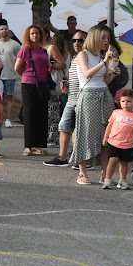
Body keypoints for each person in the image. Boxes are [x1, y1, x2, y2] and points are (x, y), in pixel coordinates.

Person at [70, 25, 120, 186]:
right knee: (87, 133)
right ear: (95, 38)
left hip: (104, 94)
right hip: (88, 95)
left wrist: (113, 74)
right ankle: (82, 172)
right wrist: (104, 62)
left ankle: (105, 174)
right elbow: (87, 74)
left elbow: (104, 80)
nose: (106, 41)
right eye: (103, 37)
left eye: (108, 38)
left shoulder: (101, 56)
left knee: (106, 134)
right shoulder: (83, 54)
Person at [45, 30, 88, 167]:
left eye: (80, 40)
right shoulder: (76, 56)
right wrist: (66, 82)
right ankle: (62, 158)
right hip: (72, 98)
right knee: (64, 126)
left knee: (80, 130)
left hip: (83, 98)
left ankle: (84, 161)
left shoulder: (87, 56)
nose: (76, 43)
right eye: (74, 40)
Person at [15, 24, 52, 156]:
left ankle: (38, 145)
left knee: (41, 114)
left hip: (42, 84)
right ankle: (28, 146)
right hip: (29, 84)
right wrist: (27, 76)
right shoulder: (25, 49)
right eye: (32, 33)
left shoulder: (43, 51)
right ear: (29, 35)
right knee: (29, 114)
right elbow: (17, 67)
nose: (35, 35)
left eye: (37, 33)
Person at [101, 89, 133, 189]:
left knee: (124, 163)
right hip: (114, 141)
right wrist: (105, 137)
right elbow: (110, 125)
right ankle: (107, 180)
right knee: (113, 160)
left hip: (128, 143)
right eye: (123, 101)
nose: (125, 103)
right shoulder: (116, 112)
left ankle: (122, 180)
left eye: (128, 101)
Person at [0, 21, 22, 126]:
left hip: (10, 74)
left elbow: (19, 58)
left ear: (8, 31)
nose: (4, 31)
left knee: (9, 96)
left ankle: (8, 119)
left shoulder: (15, 44)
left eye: (5, 29)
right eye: (2, 29)